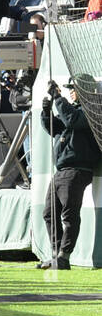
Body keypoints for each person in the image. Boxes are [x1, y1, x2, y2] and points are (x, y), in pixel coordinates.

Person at [39, 81, 101, 270]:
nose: (71, 92)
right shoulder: (73, 110)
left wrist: (57, 98)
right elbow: (54, 127)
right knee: (49, 214)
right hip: (63, 170)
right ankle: (57, 254)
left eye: (74, 89)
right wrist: (46, 111)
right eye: (70, 89)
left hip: (77, 169)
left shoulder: (94, 111)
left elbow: (72, 120)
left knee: (69, 214)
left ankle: (64, 256)